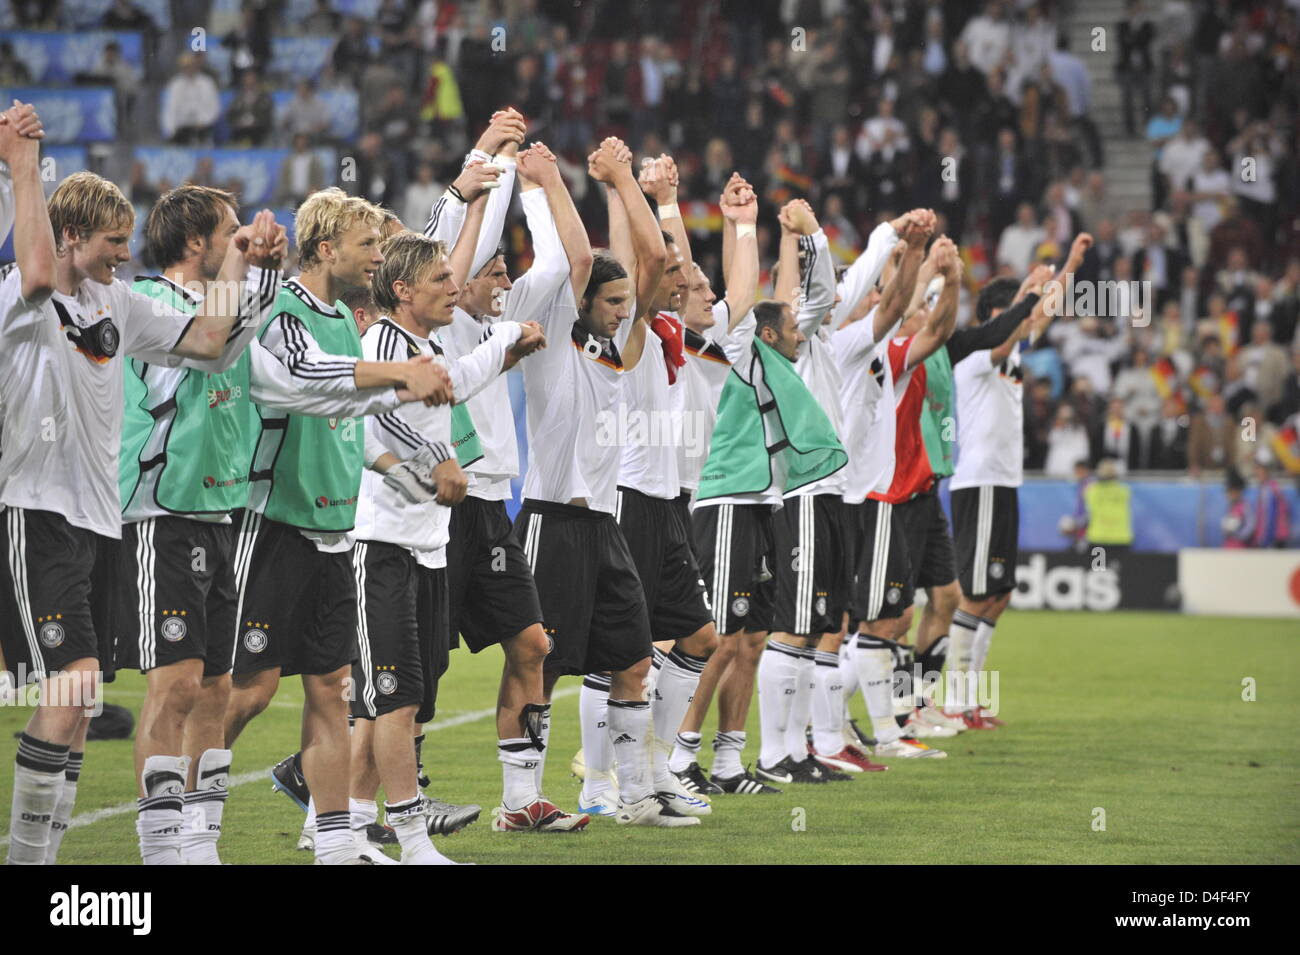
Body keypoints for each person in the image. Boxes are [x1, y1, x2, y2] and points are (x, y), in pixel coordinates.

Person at [0, 103, 273, 866]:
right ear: (71, 239)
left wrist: (239, 267)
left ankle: (39, 859)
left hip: (97, 521)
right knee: (73, 685)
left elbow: (211, 344)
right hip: (34, 509)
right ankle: (25, 860)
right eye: (113, 243)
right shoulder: (25, 299)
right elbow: (31, 271)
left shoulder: (116, 302)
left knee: (82, 704)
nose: (126, 256)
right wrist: (22, 163)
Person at [218, 188, 455, 865]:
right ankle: (183, 819)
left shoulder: (345, 324)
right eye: (367, 246)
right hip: (272, 525)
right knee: (247, 691)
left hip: (332, 530)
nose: (378, 257)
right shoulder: (282, 311)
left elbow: (351, 420)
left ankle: (336, 846)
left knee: (331, 693)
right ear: (327, 249)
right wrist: (399, 374)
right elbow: (306, 376)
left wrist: (413, 465)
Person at [508, 137, 690, 828]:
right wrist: (548, 185)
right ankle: (521, 795)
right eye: (610, 302)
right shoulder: (552, 336)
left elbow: (655, 261)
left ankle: (633, 791)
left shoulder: (621, 348)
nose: (622, 309)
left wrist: (627, 186)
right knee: (540, 665)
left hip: (606, 528)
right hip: (552, 520)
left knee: (632, 662)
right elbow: (580, 259)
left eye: (625, 301)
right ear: (583, 301)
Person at [573, 154, 720, 818]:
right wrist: (629, 183)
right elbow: (657, 265)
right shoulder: (634, 327)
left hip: (668, 502)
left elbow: (671, 262)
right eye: (680, 277)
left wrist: (663, 199)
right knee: (620, 651)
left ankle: (654, 768)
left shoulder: (670, 330)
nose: (688, 278)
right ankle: (597, 782)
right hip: (632, 496)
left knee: (697, 638)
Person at [691, 295, 848, 791]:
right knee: (716, 641)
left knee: (752, 640)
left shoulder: (777, 371)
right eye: (792, 328)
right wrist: (756, 226)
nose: (800, 334)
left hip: (765, 504)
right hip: (727, 502)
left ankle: (729, 762)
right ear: (767, 335)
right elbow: (757, 289)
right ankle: (678, 759)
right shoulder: (741, 350)